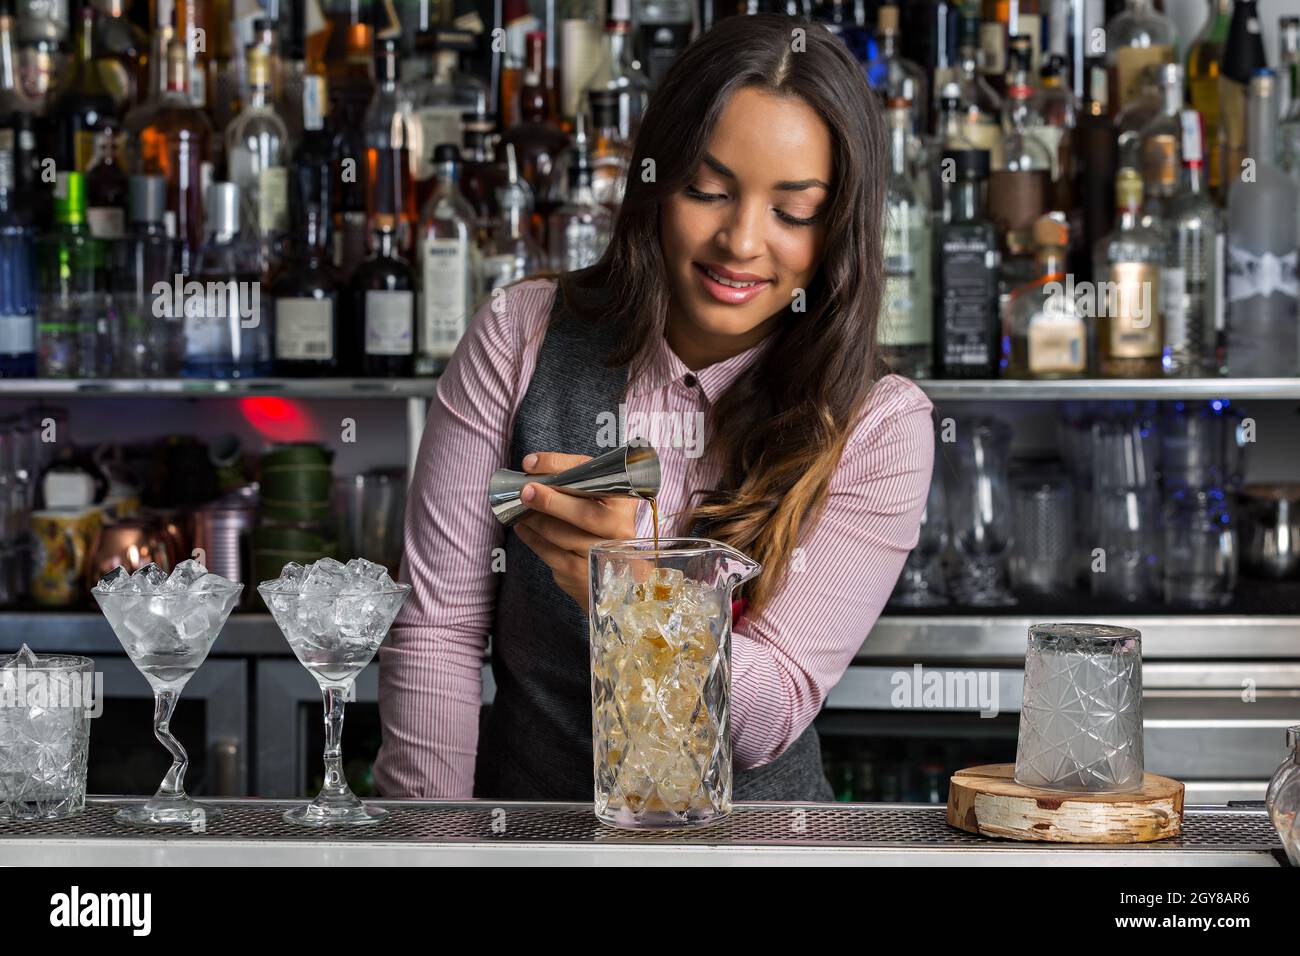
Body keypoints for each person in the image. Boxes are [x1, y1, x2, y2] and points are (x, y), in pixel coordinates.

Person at [375, 14, 936, 801]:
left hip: (754, 856)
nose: (742, 241)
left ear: (838, 225)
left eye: (792, 211)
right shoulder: (521, 335)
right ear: (655, 179)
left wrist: (635, 588)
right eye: (708, 190)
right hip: (534, 845)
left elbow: (767, 715)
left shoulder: (881, 424)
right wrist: (430, 857)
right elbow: (438, 633)